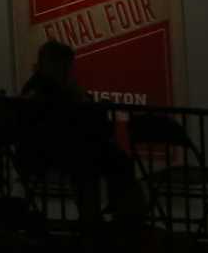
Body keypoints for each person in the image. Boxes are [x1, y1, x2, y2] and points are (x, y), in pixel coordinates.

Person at [14, 39, 140, 221]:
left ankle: (113, 215)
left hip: (66, 149)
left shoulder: (51, 88)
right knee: (101, 162)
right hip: (50, 152)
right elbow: (60, 123)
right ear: (51, 64)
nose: (66, 70)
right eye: (63, 65)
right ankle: (106, 217)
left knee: (111, 159)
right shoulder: (42, 90)